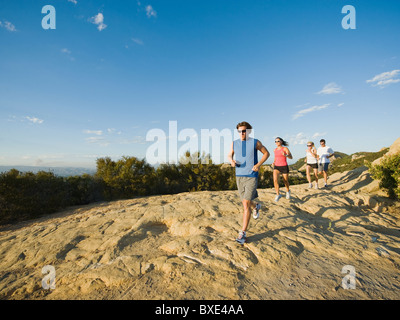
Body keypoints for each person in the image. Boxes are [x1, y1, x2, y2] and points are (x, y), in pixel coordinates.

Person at [228, 121, 270, 245]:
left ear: (249, 131)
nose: (242, 133)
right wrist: (231, 161)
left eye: (244, 130)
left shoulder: (255, 142)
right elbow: (230, 155)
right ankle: (256, 206)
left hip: (251, 175)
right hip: (239, 175)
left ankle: (243, 233)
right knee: (246, 202)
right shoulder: (234, 143)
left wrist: (258, 165)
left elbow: (266, 153)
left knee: (245, 204)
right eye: (240, 131)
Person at [273, 137, 293, 201]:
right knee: (275, 180)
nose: (277, 142)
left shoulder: (285, 148)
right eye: (275, 141)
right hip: (276, 167)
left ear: (281, 142)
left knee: (285, 181)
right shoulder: (275, 150)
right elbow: (276, 157)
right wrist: (274, 162)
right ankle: (278, 194)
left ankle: (288, 191)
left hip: (284, 166)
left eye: (278, 141)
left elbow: (291, 157)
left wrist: (285, 155)